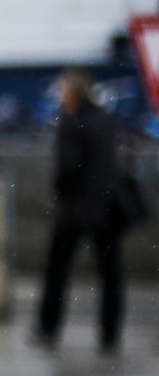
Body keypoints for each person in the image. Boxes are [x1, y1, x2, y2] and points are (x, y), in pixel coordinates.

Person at [34, 71, 136, 353]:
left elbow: (68, 165)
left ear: (72, 94)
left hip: (75, 209)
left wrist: (59, 189)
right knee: (110, 274)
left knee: (57, 270)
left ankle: (48, 328)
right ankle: (110, 334)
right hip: (105, 207)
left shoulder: (71, 122)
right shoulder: (105, 120)